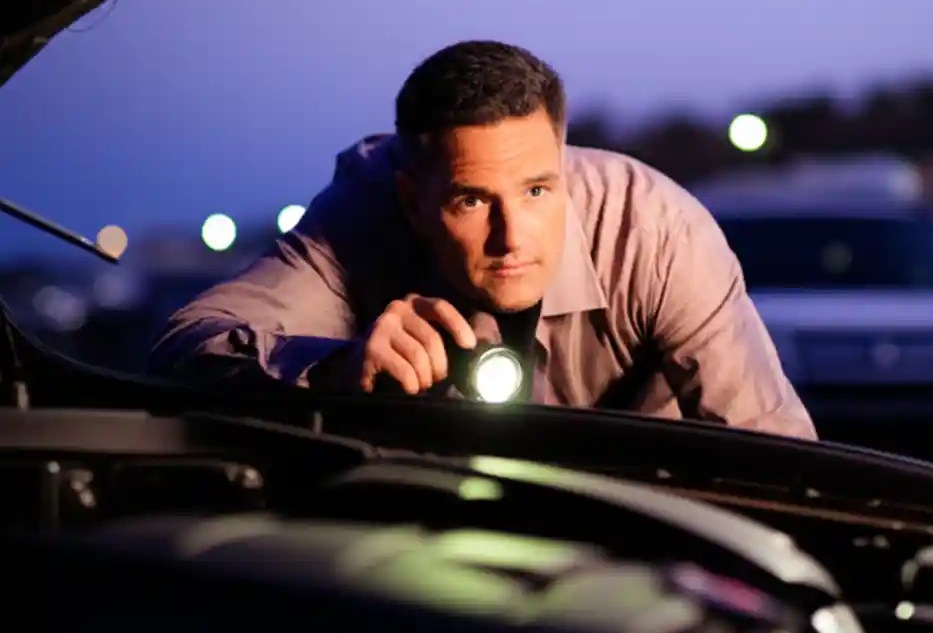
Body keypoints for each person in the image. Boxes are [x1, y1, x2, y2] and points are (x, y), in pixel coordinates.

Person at [149, 40, 816, 440]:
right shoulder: (364, 212)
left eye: (536, 190)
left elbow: (777, 452)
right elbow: (185, 342)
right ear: (414, 200)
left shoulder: (656, 232)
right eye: (471, 200)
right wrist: (335, 368)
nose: (511, 236)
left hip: (648, 527)